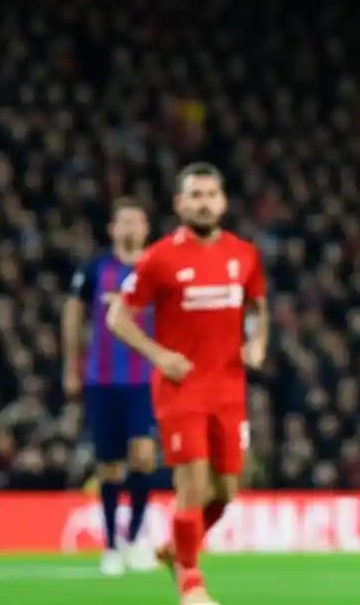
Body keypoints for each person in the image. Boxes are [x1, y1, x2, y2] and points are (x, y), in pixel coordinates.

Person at [106, 162, 268, 605]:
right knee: (193, 485)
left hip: (229, 390)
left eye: (210, 195)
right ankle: (191, 584)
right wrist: (159, 356)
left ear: (223, 202)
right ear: (179, 204)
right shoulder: (161, 257)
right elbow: (117, 315)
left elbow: (257, 307)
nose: (203, 203)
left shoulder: (243, 254)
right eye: (194, 195)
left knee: (227, 492)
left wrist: (257, 345)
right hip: (183, 390)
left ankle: (177, 547)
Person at [62, 197, 159, 575]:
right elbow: (72, 313)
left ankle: (134, 537)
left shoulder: (158, 269)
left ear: (147, 228)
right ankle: (111, 545)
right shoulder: (95, 270)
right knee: (110, 468)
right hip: (102, 381)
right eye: (124, 222)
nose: (131, 228)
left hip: (144, 381)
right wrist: (71, 366)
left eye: (138, 220)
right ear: (113, 230)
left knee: (144, 457)